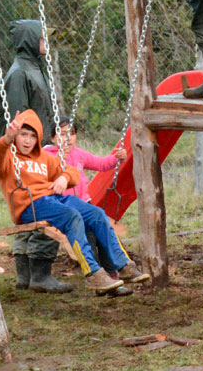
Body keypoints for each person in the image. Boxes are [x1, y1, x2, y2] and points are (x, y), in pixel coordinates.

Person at [0, 110, 140, 295]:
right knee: (71, 216)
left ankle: (123, 265)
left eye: (32, 136)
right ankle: (93, 272)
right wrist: (6, 139)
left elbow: (71, 171)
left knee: (97, 214)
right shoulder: (8, 157)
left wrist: (64, 178)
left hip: (54, 199)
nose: (28, 141)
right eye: (23, 135)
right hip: (30, 204)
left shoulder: (44, 158)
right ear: (15, 136)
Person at [47, 121, 149, 293]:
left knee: (104, 231)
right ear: (52, 138)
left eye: (71, 133)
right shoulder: (47, 156)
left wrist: (116, 159)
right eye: (62, 133)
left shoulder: (79, 154)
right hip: (63, 206)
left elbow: (100, 164)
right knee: (88, 239)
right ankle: (98, 281)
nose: (67, 138)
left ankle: (116, 276)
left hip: (84, 204)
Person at [3, 19, 62, 292]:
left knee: (35, 204)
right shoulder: (19, 73)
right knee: (40, 204)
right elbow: (20, 121)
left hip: (40, 146)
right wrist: (29, 154)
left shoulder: (36, 68)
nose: (46, 44)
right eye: (42, 38)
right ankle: (36, 274)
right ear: (29, 40)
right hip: (27, 150)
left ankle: (28, 276)